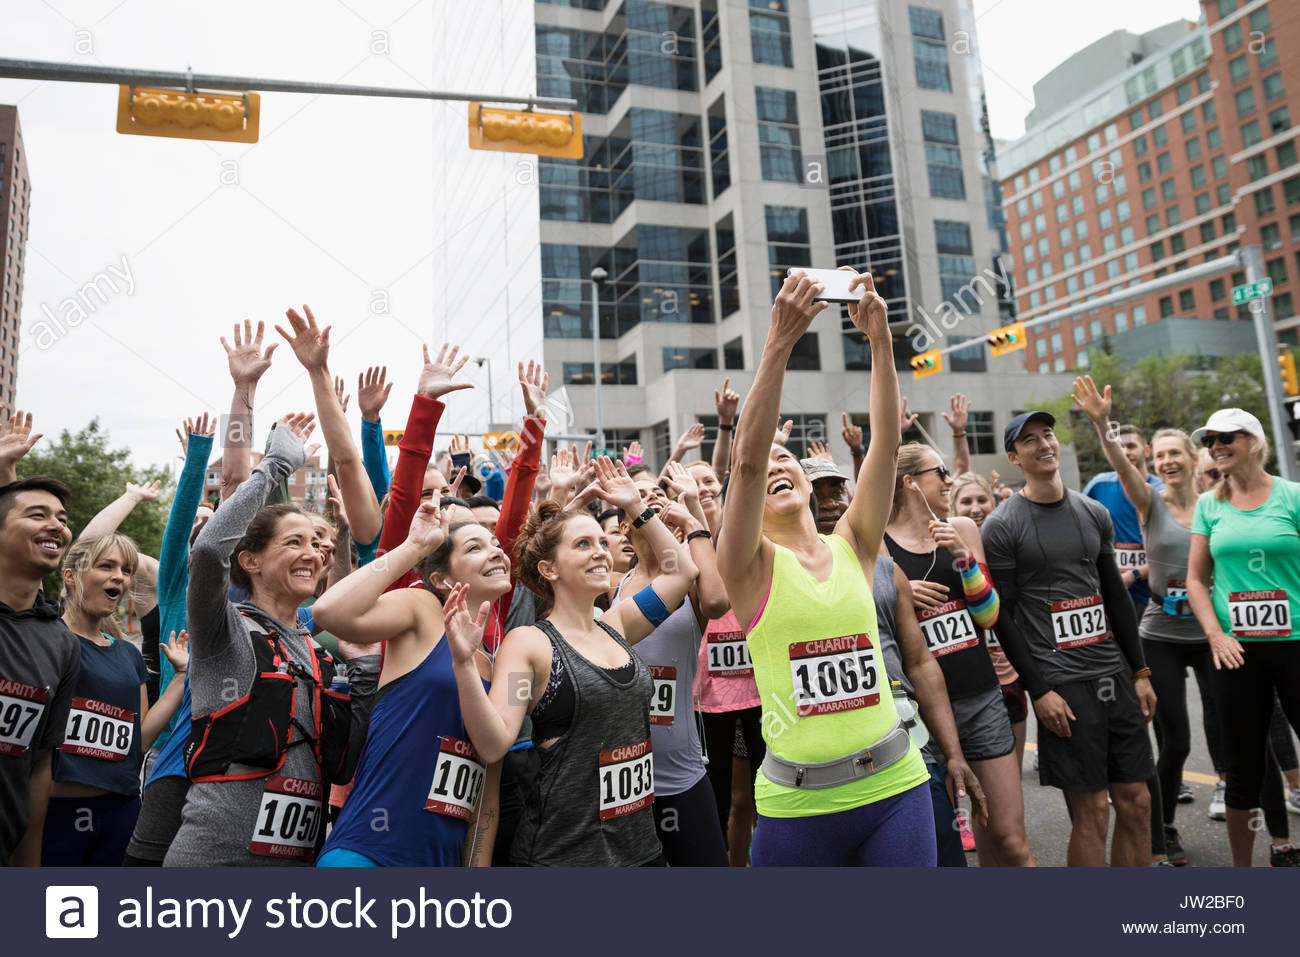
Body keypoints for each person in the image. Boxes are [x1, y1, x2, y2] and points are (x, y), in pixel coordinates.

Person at [716, 270, 932, 867]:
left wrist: (882, 344)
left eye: (792, 459)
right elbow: (750, 460)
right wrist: (779, 342)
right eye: (770, 462)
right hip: (799, 809)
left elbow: (886, 444)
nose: (778, 465)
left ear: (811, 483)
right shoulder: (748, 567)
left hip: (896, 787)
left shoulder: (855, 545)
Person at [446, 456, 699, 866]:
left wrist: (636, 508)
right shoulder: (528, 644)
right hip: (564, 856)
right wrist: (462, 663)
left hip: (640, 851)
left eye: (602, 541)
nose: (600, 552)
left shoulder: (618, 623)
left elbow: (682, 570)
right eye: (583, 545)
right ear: (549, 569)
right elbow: (493, 745)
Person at [164, 414, 377, 867]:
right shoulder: (224, 630)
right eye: (293, 542)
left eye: (316, 544)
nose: (311, 553)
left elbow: (344, 760)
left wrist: (364, 670)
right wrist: (276, 465)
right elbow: (206, 552)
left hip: (298, 864)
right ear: (251, 561)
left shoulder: (323, 653)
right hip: (214, 860)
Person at [981, 410, 1156, 867]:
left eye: (1048, 435)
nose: (1044, 444)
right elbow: (1005, 617)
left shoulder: (1092, 511)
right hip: (1063, 684)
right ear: (1013, 456)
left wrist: (1139, 671)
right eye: (1029, 440)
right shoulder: (1001, 525)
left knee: (1137, 803)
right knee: (1093, 812)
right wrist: (1039, 690)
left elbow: (1115, 595)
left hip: (1114, 675)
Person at [311, 503, 506, 866]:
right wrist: (414, 546)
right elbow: (330, 611)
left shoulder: (498, 658)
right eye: (475, 547)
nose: (496, 550)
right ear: (441, 580)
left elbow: (485, 797)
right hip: (368, 852)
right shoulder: (421, 608)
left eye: (495, 543)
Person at [883, 444, 1031, 866]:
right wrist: (901, 592)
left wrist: (965, 561)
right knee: (942, 844)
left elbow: (988, 617)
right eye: (940, 472)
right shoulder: (878, 544)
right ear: (910, 482)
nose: (949, 480)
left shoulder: (963, 527)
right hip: (919, 708)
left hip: (980, 695)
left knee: (1009, 838)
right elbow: (871, 620)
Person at [1186, 408, 1300, 867]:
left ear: (1253, 440)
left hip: (1294, 642)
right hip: (1235, 650)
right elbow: (1196, 580)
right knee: (1244, 766)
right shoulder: (1209, 505)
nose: (1215, 447)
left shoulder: (1292, 496)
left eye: (1225, 437)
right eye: (1209, 440)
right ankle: (1241, 872)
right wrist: (1215, 635)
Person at [42, 534, 188, 865]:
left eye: (125, 569)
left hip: (121, 811)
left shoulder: (128, 654)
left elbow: (138, 743)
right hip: (54, 813)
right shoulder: (47, 639)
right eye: (106, 566)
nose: (119, 576)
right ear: (71, 576)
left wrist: (181, 678)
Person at [615, 462, 730, 865]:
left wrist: (694, 510)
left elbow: (718, 602)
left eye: (659, 495)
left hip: (681, 774)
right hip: (622, 773)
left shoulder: (692, 581)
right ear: (625, 530)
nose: (652, 499)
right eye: (640, 495)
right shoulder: (611, 586)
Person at [0, 475, 81, 865]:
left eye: (62, 519)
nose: (57, 526)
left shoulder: (61, 643)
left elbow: (40, 765)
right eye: (38, 515)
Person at [951, 472, 1027, 770]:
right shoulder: (944, 554)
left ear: (994, 503)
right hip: (972, 686)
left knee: (1011, 775)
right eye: (966, 501)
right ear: (952, 509)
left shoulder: (1006, 548)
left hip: (1011, 677)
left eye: (982, 500)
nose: (975, 508)